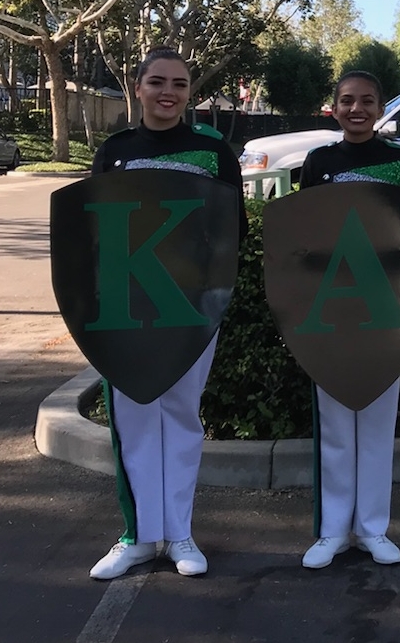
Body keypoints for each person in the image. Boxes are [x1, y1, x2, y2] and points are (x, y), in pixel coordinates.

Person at [88, 47, 244, 581]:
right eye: (157, 81)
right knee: (131, 420)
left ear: (189, 91)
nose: (168, 92)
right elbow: (91, 232)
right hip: (124, 309)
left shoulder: (213, 150)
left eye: (178, 83)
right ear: (138, 87)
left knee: (180, 414)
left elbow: (232, 229)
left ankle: (179, 533)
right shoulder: (115, 151)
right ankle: (136, 536)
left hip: (192, 307)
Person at [297, 71, 400, 570]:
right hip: (330, 313)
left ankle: (372, 529)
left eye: (367, 101)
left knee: (375, 424)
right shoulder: (319, 162)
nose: (357, 109)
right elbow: (303, 235)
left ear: (379, 109)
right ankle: (331, 532)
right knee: (333, 426)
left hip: (385, 310)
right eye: (347, 100)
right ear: (334, 107)